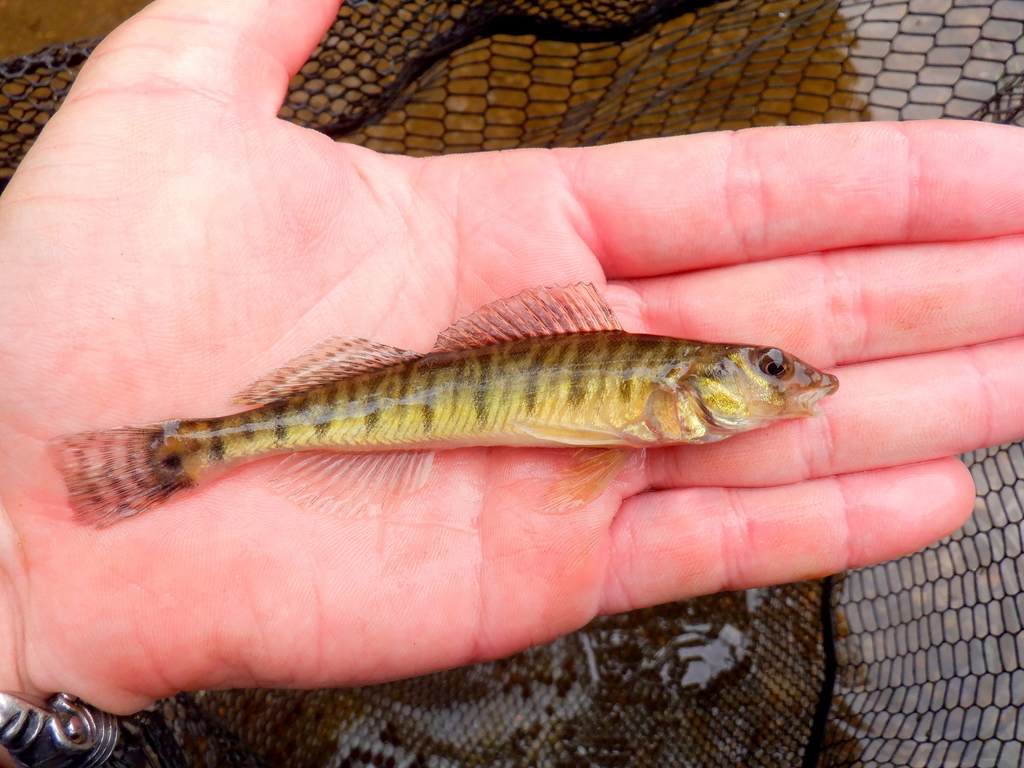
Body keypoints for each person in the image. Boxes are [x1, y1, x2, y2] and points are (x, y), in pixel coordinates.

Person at [1, 0, 1022, 735]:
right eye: (766, 368)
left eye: (775, 369)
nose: (791, 381)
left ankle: (198, 451)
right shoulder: (676, 401)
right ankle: (193, 449)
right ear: (704, 382)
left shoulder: (679, 405)